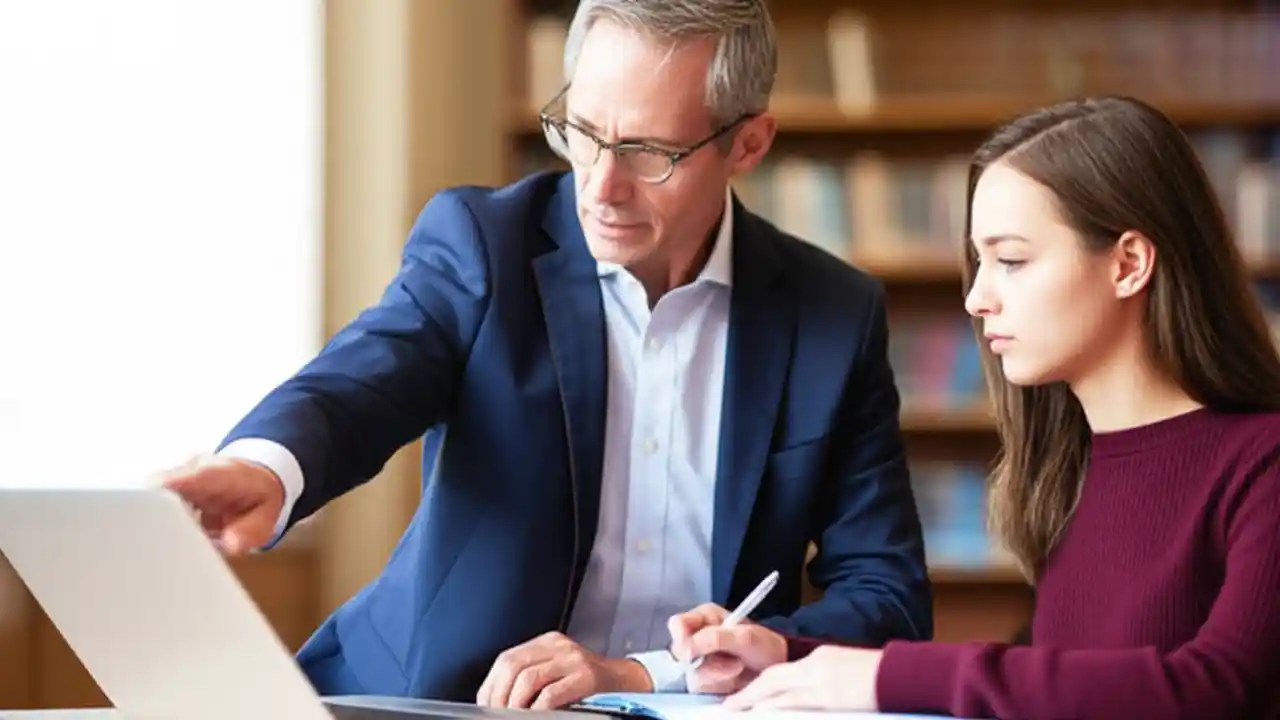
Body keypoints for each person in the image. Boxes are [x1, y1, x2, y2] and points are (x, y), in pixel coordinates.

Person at [156, 0, 932, 709]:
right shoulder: (485, 246)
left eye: (648, 151)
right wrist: (266, 467)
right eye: (583, 133)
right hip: (435, 699)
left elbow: (885, 594)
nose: (601, 187)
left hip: (687, 707)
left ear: (748, 143)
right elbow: (364, 380)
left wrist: (641, 674)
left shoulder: (833, 315)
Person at [667, 95, 1280, 719]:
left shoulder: (1264, 465)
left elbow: (1220, 686)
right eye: (978, 262)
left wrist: (885, 678)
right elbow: (1058, 678)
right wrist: (788, 653)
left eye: (1011, 260)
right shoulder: (1067, 465)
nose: (977, 298)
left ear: (1128, 264)